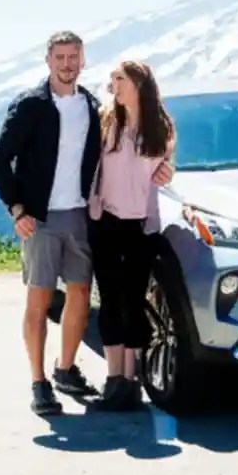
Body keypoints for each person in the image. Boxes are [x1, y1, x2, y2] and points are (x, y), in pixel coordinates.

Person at [0, 31, 174, 416]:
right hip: (40, 217)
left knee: (78, 296)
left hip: (81, 216)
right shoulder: (30, 106)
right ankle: (38, 383)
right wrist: (17, 210)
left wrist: (164, 169)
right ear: (48, 60)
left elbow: (133, 156)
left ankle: (65, 369)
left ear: (83, 60)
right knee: (39, 299)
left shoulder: (93, 107)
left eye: (74, 56)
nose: (67, 63)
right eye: (60, 57)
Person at [85, 60, 176, 411]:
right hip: (105, 220)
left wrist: (169, 171)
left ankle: (131, 377)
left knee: (134, 298)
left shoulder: (161, 129)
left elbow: (164, 171)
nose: (113, 85)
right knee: (109, 296)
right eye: (112, 79)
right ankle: (114, 378)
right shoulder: (107, 121)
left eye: (119, 79)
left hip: (141, 224)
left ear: (139, 83)